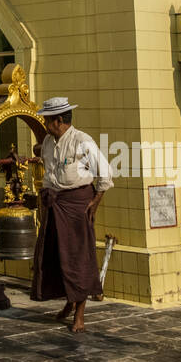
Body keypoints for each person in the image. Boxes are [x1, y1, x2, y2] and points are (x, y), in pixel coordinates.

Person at [30, 96, 112, 335]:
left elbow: (105, 174)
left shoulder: (82, 141)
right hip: (54, 202)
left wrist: (94, 202)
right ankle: (68, 300)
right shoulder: (48, 141)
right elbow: (48, 164)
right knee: (55, 255)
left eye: (47, 120)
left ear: (58, 120)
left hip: (76, 203)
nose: (45, 124)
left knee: (78, 257)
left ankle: (80, 313)